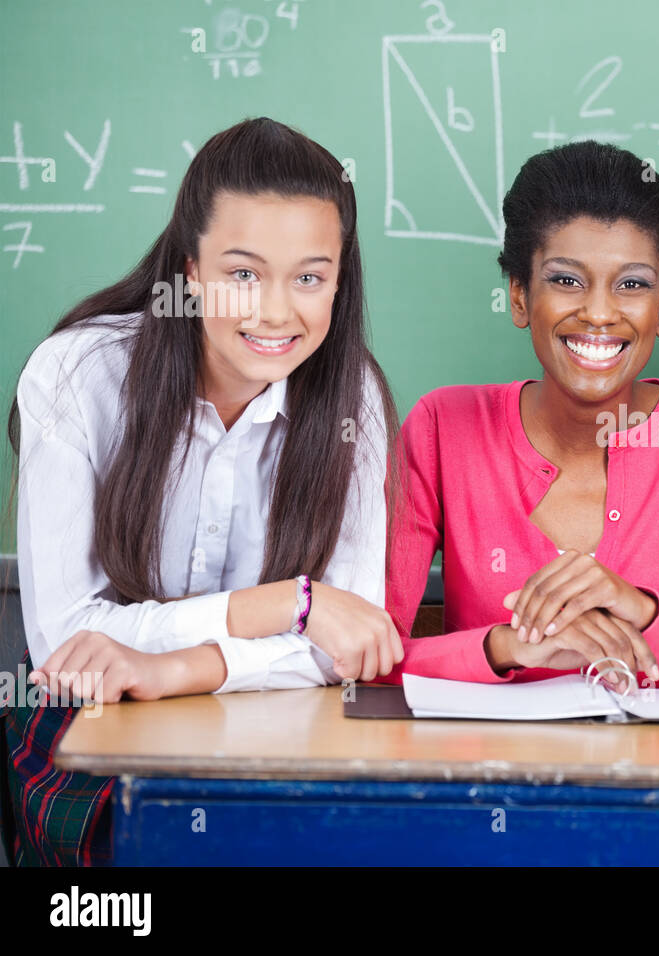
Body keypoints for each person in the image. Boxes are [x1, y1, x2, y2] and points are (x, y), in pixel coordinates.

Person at [3, 118, 403, 865]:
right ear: (190, 271)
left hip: (270, 740)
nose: (276, 312)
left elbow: (346, 647)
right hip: (91, 735)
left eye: (310, 277)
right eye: (242, 273)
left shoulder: (355, 401)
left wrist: (173, 668)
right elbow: (66, 646)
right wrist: (288, 605)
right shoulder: (76, 376)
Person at [382, 141, 659, 692]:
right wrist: (506, 647)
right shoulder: (442, 427)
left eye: (633, 284)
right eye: (566, 280)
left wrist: (641, 612)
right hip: (484, 774)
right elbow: (363, 656)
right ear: (520, 297)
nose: (599, 312)